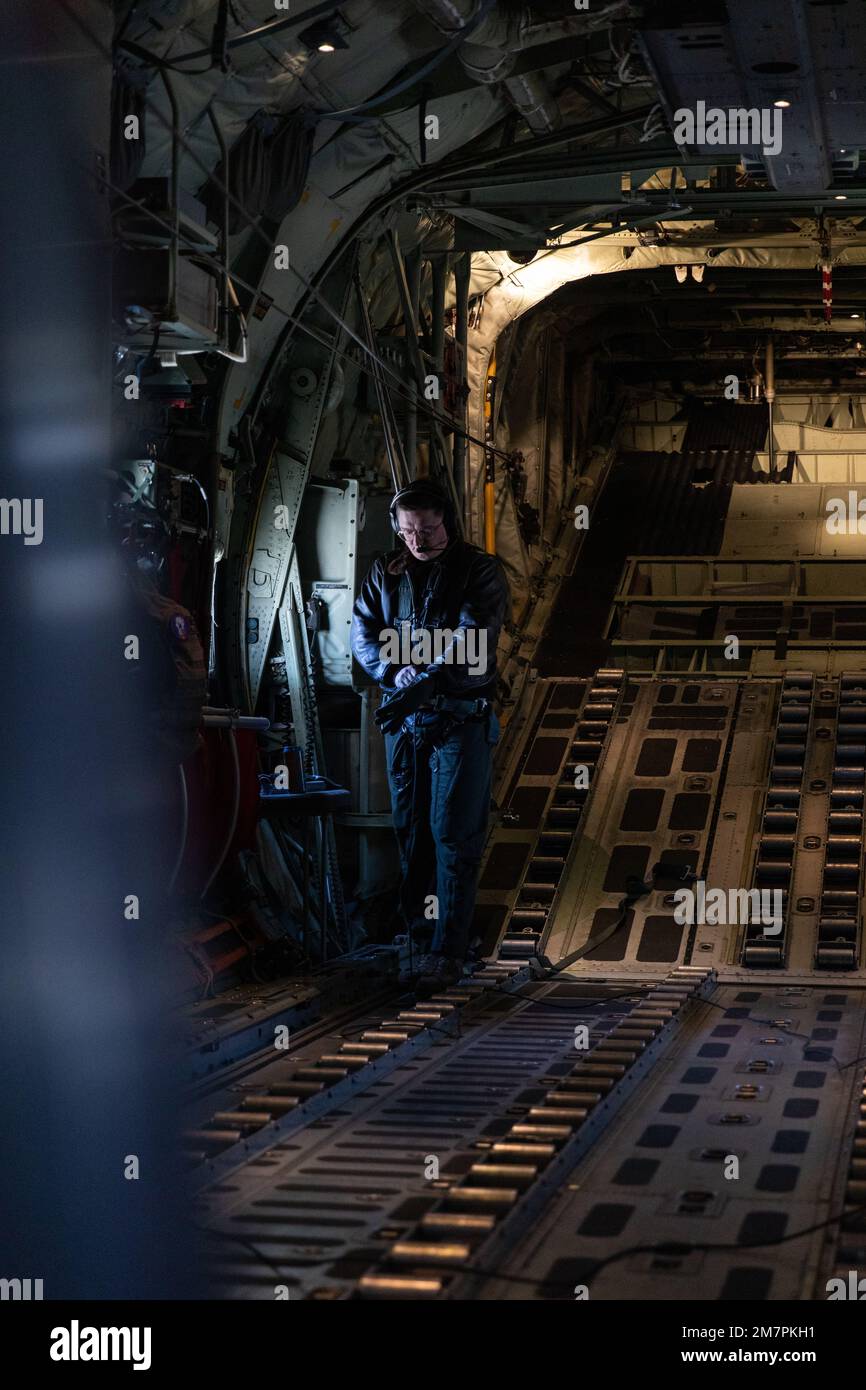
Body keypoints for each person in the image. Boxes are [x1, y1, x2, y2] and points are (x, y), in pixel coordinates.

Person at [350, 479, 510, 995]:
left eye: (429, 530)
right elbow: (363, 631)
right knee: (412, 831)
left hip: (459, 720)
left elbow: (475, 635)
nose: (418, 541)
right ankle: (417, 941)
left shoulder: (479, 570)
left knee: (452, 835)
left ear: (448, 523)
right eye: (409, 531)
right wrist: (392, 674)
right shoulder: (385, 573)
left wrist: (431, 677)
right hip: (407, 723)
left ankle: (448, 950)